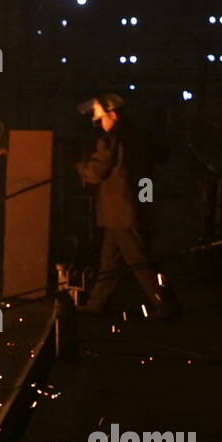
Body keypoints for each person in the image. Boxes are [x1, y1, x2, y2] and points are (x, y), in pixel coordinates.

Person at [74, 94, 177, 319]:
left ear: (113, 115)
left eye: (101, 119)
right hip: (126, 208)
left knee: (138, 260)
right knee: (109, 260)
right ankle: (96, 303)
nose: (100, 124)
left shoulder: (110, 140)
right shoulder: (137, 137)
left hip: (120, 210)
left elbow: (97, 171)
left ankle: (164, 304)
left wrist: (80, 167)